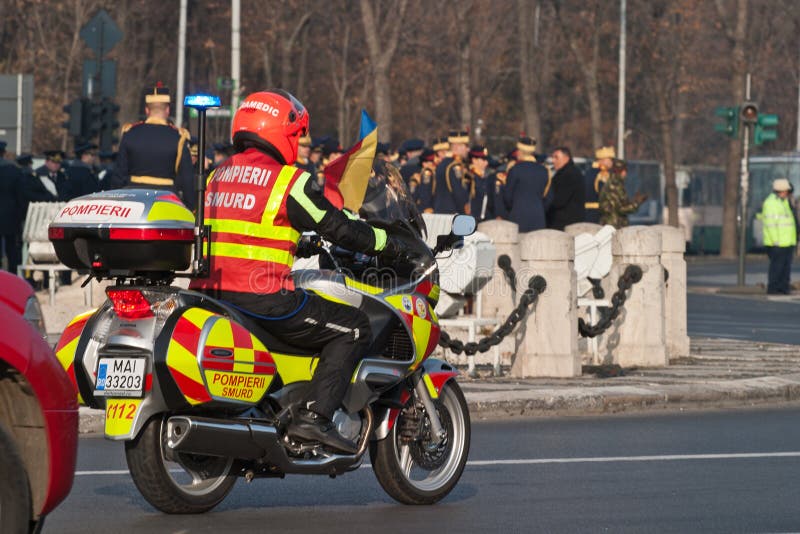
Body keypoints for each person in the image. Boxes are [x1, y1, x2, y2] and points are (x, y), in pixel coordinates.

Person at [188, 90, 403, 453]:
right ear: (278, 132)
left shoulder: (216, 176)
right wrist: (387, 243)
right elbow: (339, 228)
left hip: (212, 294)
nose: (301, 142)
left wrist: (298, 244)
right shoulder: (288, 181)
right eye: (297, 134)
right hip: (265, 299)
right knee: (352, 327)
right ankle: (316, 419)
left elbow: (244, 230)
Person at [110, 83, 195, 209]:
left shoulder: (130, 133)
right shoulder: (179, 137)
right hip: (167, 202)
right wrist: (191, 207)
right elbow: (187, 180)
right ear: (167, 110)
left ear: (147, 110)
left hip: (133, 201)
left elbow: (118, 176)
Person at [499, 136, 550, 232]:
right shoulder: (544, 170)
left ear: (519, 151)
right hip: (538, 218)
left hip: (518, 217)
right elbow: (548, 198)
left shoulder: (515, 169)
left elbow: (507, 197)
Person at [758, 178, 796, 294]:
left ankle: (783, 287)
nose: (788, 193)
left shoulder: (784, 202)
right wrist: (776, 241)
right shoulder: (771, 203)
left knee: (785, 267)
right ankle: (774, 288)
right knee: (777, 267)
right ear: (780, 191)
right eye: (786, 191)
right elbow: (770, 225)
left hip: (787, 241)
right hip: (777, 243)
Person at [546, 146, 586, 230]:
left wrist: (546, 203)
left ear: (566, 158)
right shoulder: (563, 173)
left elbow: (559, 200)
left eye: (556, 157)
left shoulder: (569, 175)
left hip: (565, 223)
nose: (553, 161)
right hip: (563, 221)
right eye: (553, 157)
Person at [598, 159, 645, 229]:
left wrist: (633, 201)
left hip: (615, 225)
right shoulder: (614, 186)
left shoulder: (616, 185)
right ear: (619, 171)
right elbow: (620, 209)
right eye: (624, 171)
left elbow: (621, 204)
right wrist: (636, 204)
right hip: (613, 226)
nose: (625, 173)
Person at [433, 130, 471, 214]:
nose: (468, 149)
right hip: (452, 214)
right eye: (466, 146)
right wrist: (466, 210)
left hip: (441, 212)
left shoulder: (443, 164)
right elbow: (458, 193)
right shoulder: (454, 166)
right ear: (457, 147)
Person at [0, 141, 23, 274]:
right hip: (10, 216)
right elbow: (20, 195)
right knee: (11, 249)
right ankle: (12, 274)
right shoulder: (14, 170)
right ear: (4, 153)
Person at [585, 146, 614, 223]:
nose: (612, 162)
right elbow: (605, 195)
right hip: (599, 214)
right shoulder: (602, 174)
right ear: (602, 160)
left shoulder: (589, 172)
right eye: (610, 159)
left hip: (587, 213)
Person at [467, 144, 495, 222]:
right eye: (483, 160)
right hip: (472, 220)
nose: (486, 163)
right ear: (474, 160)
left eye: (486, 160)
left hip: (484, 220)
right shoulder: (469, 178)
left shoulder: (485, 178)